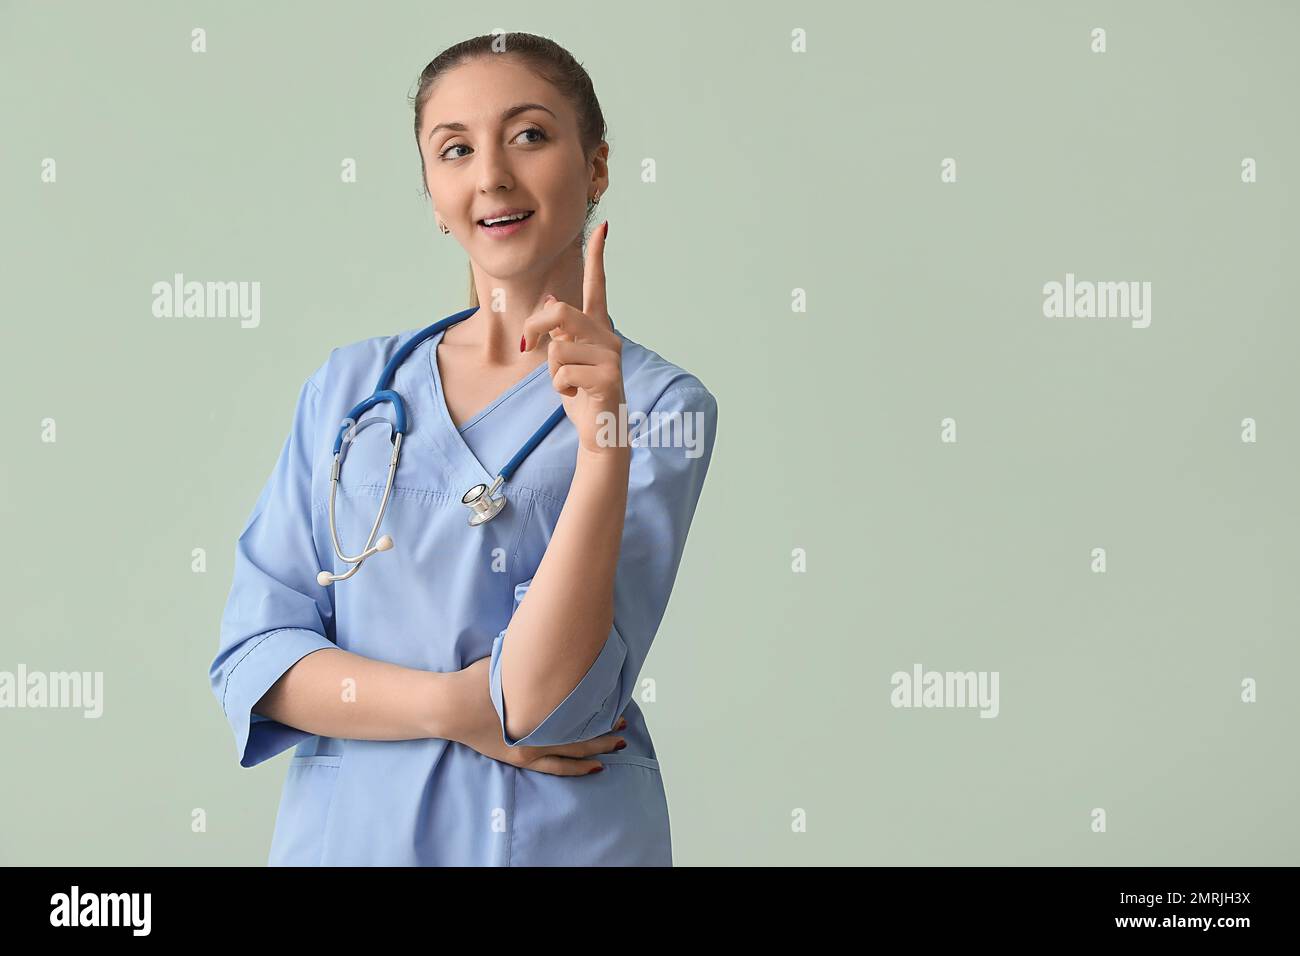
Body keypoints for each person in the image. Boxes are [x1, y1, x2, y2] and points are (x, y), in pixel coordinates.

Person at [207, 32, 718, 866]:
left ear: (595, 168)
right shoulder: (349, 390)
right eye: (455, 150)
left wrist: (601, 448)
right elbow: (258, 662)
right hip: (351, 843)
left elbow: (547, 704)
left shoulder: (659, 409)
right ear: (434, 194)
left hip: (559, 841)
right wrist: (453, 707)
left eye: (529, 135)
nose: (491, 176)